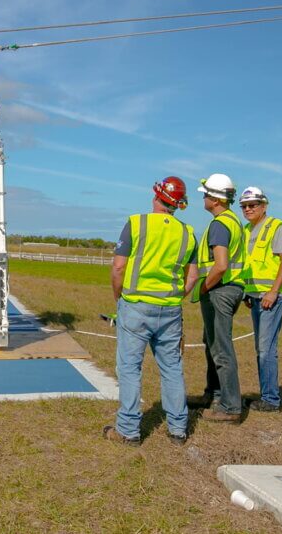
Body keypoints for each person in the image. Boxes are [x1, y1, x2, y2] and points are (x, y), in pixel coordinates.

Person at [103, 176, 199, 446]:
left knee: (130, 368)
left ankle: (128, 430)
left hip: (135, 306)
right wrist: (175, 297)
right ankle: (178, 429)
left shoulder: (136, 223)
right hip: (170, 309)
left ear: (156, 196)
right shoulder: (188, 233)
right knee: (171, 368)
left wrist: (118, 297)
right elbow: (192, 278)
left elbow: (118, 268)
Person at [191, 172, 246, 423]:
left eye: (206, 194)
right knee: (212, 341)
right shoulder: (233, 221)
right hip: (229, 290)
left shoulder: (219, 224)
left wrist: (203, 288)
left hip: (220, 291)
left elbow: (220, 265)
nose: (203, 198)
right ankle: (213, 394)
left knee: (221, 347)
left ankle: (230, 406)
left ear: (215, 199)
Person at [239, 187, 282, 413]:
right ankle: (266, 395)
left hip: (273, 297)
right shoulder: (246, 230)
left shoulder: (275, 227)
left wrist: (273, 292)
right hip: (256, 296)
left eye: (253, 205)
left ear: (264, 206)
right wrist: (247, 292)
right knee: (260, 348)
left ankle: (271, 400)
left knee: (266, 348)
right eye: (244, 206)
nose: (248, 209)